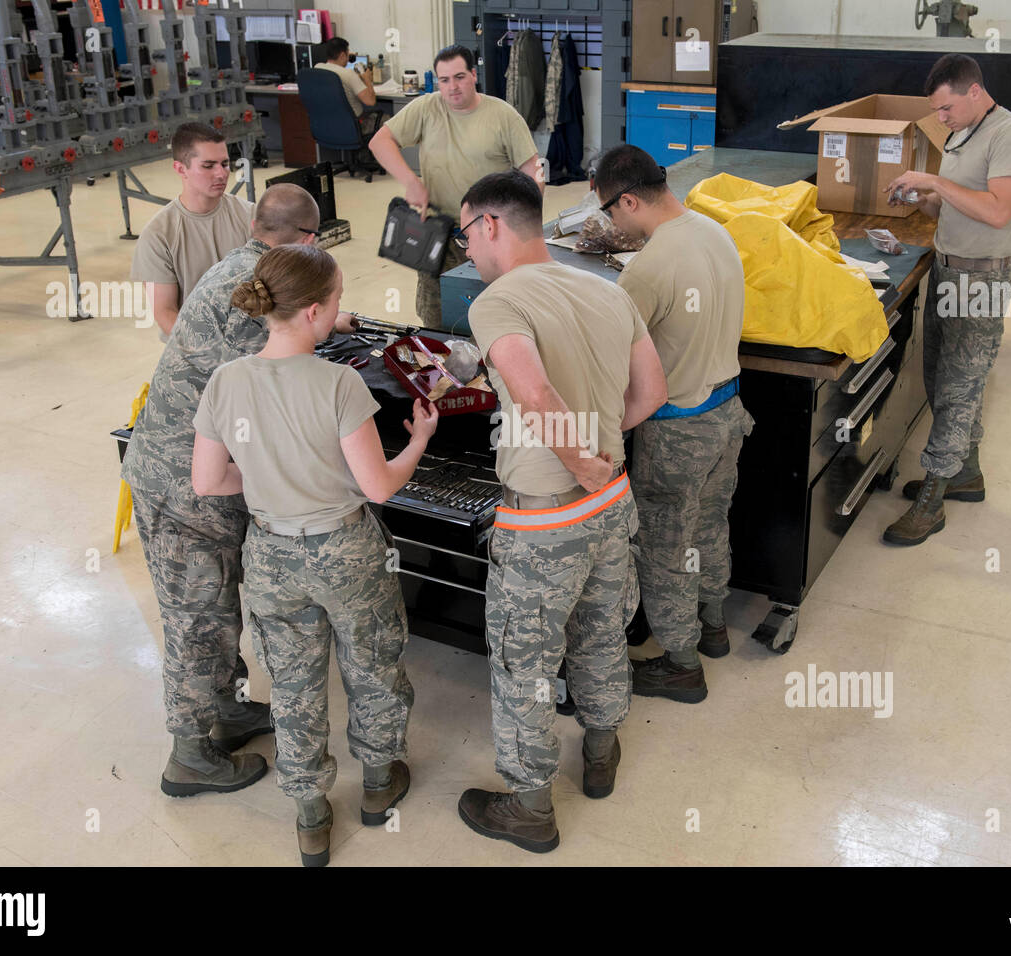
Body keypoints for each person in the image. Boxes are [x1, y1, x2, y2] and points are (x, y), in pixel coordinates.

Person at [192, 243, 437, 867]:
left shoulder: (227, 380)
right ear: (312, 312)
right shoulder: (338, 382)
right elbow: (379, 486)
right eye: (336, 302)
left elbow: (209, 481)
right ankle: (379, 785)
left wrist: (276, 476)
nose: (339, 311)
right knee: (372, 664)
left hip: (272, 552)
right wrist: (420, 441)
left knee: (295, 683)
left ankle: (309, 817)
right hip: (346, 551)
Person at [122, 183, 359, 800]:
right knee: (198, 619)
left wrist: (327, 318)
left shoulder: (241, 270)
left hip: (191, 473)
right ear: (308, 242)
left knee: (217, 608)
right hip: (184, 485)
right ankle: (190, 756)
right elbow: (283, 373)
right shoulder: (248, 296)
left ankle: (223, 711)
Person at [455, 170, 667, 853]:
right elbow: (653, 391)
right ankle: (600, 753)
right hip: (613, 502)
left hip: (546, 518)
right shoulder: (606, 289)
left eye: (465, 232)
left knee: (526, 662)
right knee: (604, 629)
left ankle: (529, 806)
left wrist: (575, 464)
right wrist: (602, 456)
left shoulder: (497, 302)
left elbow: (535, 392)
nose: (468, 246)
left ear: (490, 224)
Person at [594, 145, 754, 702]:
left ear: (630, 200)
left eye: (611, 214)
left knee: (665, 546)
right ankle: (712, 626)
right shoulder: (715, 232)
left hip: (677, 429)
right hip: (728, 413)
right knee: (710, 526)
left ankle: (681, 663)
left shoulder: (650, 268)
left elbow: (611, 360)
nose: (612, 226)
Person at [882, 53, 1011, 545]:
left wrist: (934, 181)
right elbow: (953, 202)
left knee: (957, 388)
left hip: (980, 284)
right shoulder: (962, 132)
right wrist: (920, 196)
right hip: (949, 270)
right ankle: (965, 473)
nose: (940, 118)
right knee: (940, 377)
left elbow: (997, 212)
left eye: (945, 108)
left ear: (974, 91)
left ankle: (932, 502)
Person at [369, 45, 543, 327]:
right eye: (444, 80)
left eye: (460, 77)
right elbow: (380, 141)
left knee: (493, 315)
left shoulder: (503, 116)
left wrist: (525, 230)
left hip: (489, 236)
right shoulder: (427, 107)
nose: (452, 87)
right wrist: (411, 182)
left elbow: (533, 174)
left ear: (474, 75)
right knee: (435, 318)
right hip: (438, 232)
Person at [130, 122, 255, 338]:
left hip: (251, 342)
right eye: (208, 166)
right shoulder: (159, 235)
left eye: (225, 164)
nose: (221, 174)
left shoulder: (249, 216)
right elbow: (164, 311)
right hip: (193, 349)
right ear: (180, 169)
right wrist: (209, 352)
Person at [314, 36, 381, 139]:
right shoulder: (349, 74)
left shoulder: (318, 68)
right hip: (353, 126)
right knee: (385, 120)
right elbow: (370, 101)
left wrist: (358, 78)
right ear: (342, 55)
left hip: (326, 125)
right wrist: (367, 79)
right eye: (347, 53)